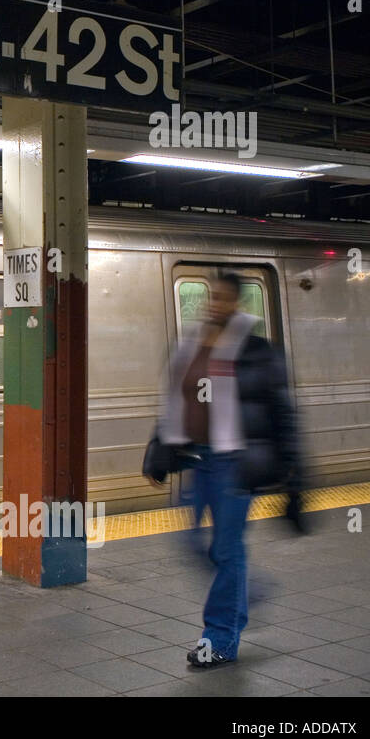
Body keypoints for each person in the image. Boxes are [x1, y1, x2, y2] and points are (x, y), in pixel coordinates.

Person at [150, 273, 305, 669]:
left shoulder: (256, 351)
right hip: (196, 461)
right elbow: (175, 403)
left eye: (222, 298)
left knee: (225, 549)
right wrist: (159, 447)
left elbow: (284, 414)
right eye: (211, 297)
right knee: (189, 542)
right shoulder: (189, 346)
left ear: (238, 304)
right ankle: (246, 592)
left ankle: (218, 640)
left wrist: (295, 481)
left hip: (235, 465)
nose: (213, 304)